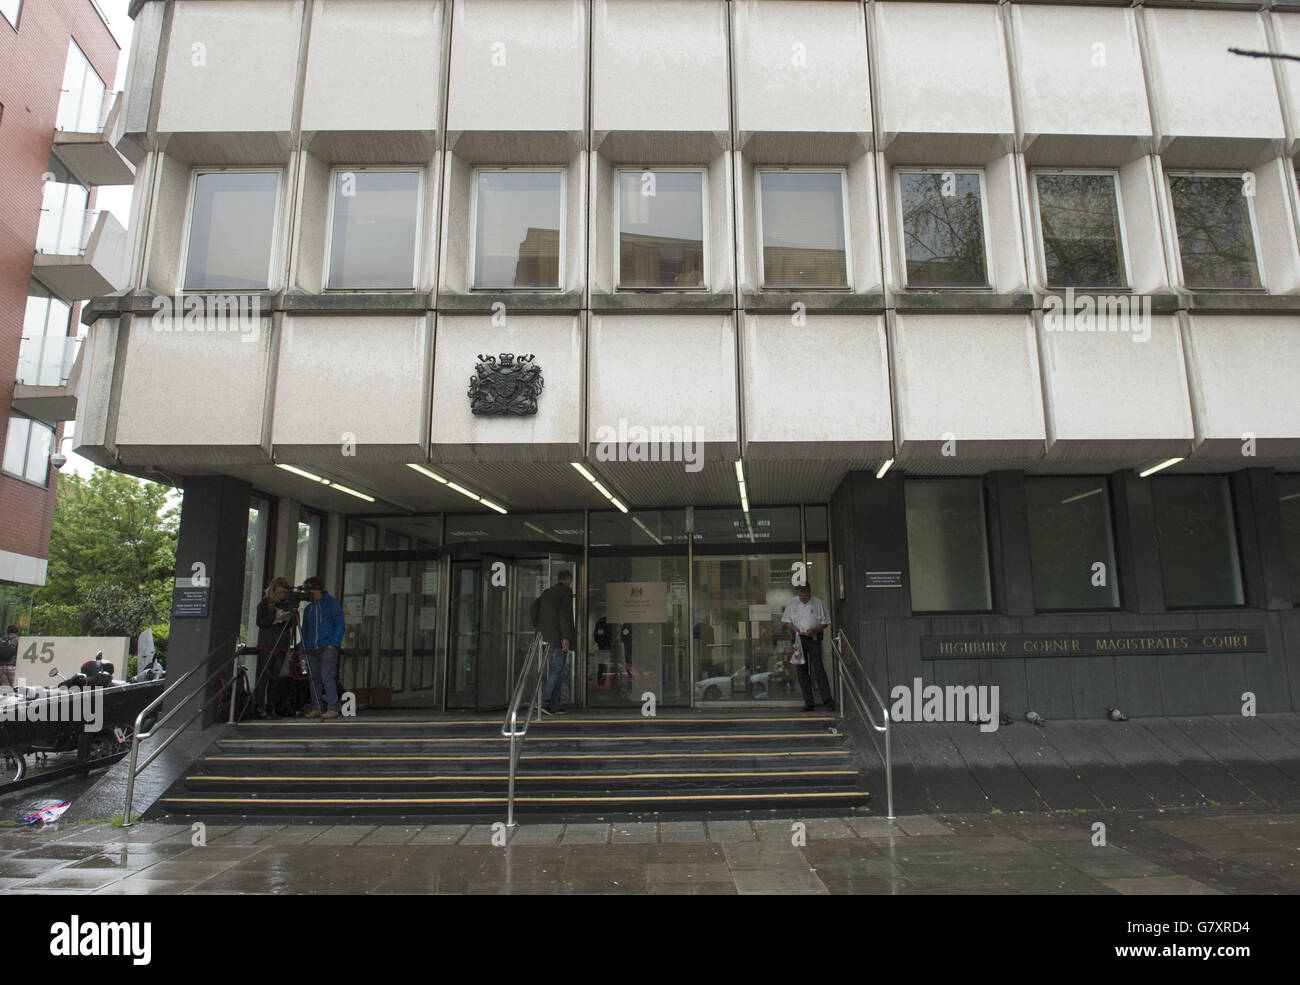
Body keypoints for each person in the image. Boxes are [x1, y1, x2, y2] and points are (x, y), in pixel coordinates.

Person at [781, 585, 834, 712]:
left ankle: (828, 702)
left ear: (810, 593)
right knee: (802, 671)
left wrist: (814, 630)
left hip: (813, 638)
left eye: (805, 597)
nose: (803, 599)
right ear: (798, 594)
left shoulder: (817, 602)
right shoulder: (793, 603)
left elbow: (825, 622)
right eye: (801, 596)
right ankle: (809, 703)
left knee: (818, 669)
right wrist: (796, 630)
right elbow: (786, 620)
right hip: (799, 639)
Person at [301, 576, 345, 720]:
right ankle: (317, 707)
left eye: (309, 590)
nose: (307, 594)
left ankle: (333, 707)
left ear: (317, 589)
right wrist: (303, 647)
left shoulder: (332, 604)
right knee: (314, 679)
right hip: (312, 648)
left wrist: (334, 643)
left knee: (327, 677)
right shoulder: (308, 609)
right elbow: (305, 629)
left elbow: (339, 623)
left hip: (327, 646)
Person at [535, 570, 576, 715]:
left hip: (546, 638)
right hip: (558, 639)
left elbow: (533, 608)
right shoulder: (565, 591)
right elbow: (564, 615)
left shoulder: (547, 592)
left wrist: (540, 628)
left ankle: (555, 705)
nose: (571, 581)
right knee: (556, 672)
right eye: (570, 579)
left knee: (555, 672)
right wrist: (566, 637)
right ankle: (544, 702)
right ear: (567, 578)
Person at [254, 577, 296, 719]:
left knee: (275, 678)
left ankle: (272, 707)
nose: (281, 596)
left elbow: (293, 624)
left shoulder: (287, 604)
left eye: (284, 593)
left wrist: (289, 617)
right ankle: (259, 707)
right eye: (279, 592)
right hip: (267, 644)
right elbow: (260, 622)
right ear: (272, 591)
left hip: (281, 645)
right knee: (263, 676)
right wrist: (274, 616)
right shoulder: (264, 604)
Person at [0, 625, 19, 689]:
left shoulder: (1, 639)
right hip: (13, 667)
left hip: (1, 667)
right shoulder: (18, 639)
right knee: (19, 687)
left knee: (5, 689)